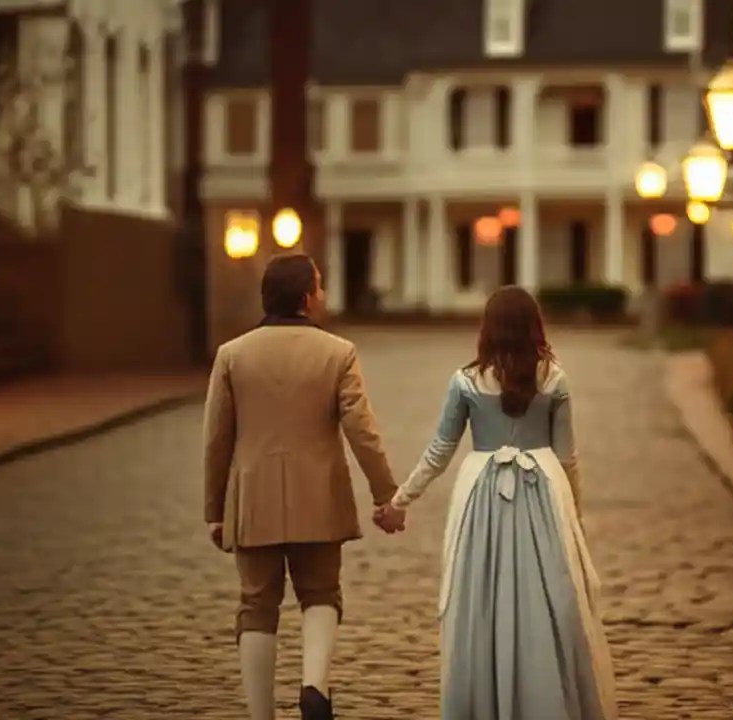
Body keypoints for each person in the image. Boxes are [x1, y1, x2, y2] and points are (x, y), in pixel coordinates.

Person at [373, 286, 618, 719]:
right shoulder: (554, 379)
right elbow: (567, 458)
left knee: (482, 600)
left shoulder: (465, 382)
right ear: (533, 327)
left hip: (480, 495)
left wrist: (400, 500)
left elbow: (440, 451)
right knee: (548, 596)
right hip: (545, 492)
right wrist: (574, 516)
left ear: (487, 329)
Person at [203, 254, 405, 720]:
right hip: (320, 497)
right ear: (307, 297)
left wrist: (215, 509)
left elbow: (217, 438)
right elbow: (362, 429)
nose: (325, 294)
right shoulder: (337, 353)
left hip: (252, 498)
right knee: (320, 593)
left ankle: (261, 714)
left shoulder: (232, 355)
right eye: (321, 286)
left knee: (256, 604)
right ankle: (314, 685)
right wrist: (385, 494)